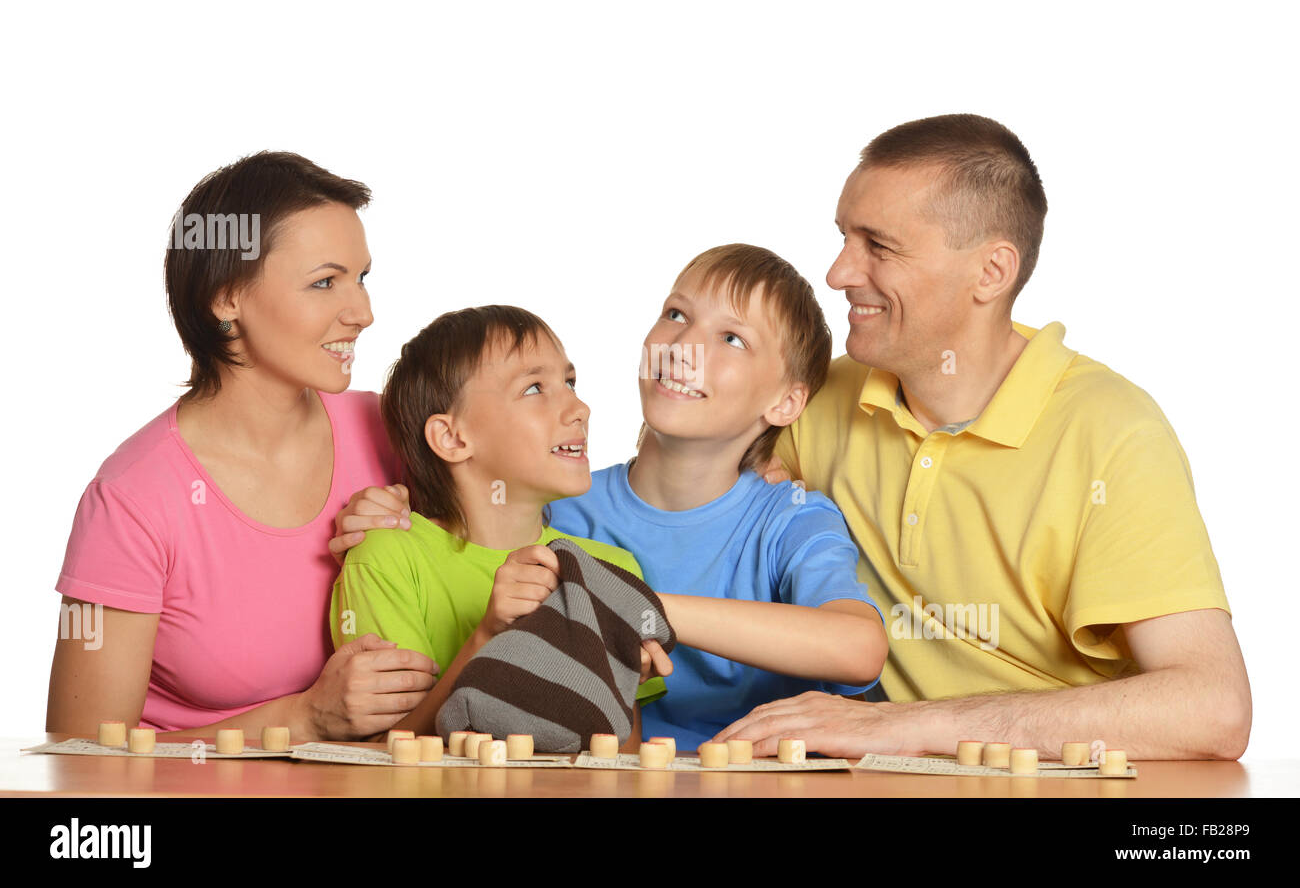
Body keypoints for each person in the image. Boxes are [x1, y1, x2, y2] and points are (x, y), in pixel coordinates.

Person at [714, 114, 1252, 760]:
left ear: (992, 272)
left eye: (878, 246)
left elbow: (1213, 708)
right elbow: (671, 504)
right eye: (844, 238)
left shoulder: (1112, 432)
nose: (837, 273)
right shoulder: (816, 398)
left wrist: (905, 726)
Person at [47, 152, 437, 742]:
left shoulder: (390, 428)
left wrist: (426, 539)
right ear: (226, 298)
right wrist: (304, 717)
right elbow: (78, 756)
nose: (363, 313)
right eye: (324, 282)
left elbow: (508, 548)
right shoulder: (130, 501)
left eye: (362, 278)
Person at [548, 244, 887, 751]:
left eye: (731, 338)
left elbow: (858, 648)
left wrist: (641, 608)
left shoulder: (790, 519)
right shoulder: (560, 506)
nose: (682, 346)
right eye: (676, 314)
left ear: (786, 402)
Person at [329, 305, 668, 744]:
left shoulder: (609, 569)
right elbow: (380, 755)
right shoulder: (388, 559)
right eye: (534, 388)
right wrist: (488, 634)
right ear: (452, 438)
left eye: (569, 382)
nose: (579, 407)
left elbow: (621, 758)